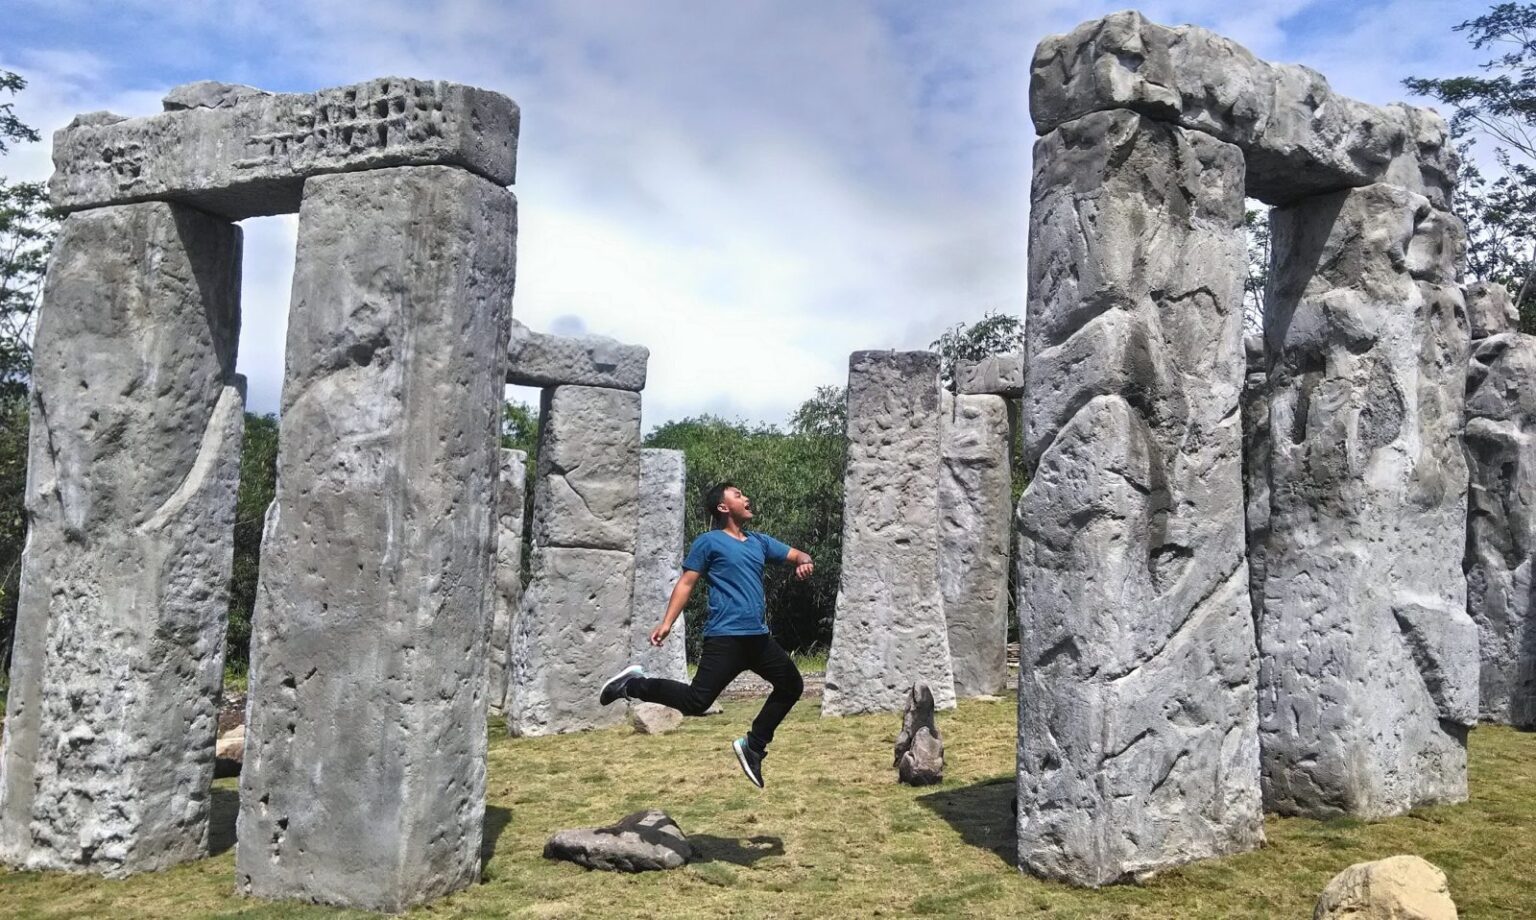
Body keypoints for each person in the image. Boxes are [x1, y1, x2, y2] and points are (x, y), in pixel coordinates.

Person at [598, 481, 813, 789]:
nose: (747, 497)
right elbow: (687, 583)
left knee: (792, 684)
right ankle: (632, 685)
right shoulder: (709, 542)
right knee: (696, 701)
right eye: (739, 495)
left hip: (758, 640)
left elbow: (799, 555)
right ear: (723, 507)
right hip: (726, 638)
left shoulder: (759, 543)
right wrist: (667, 622)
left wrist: (805, 563)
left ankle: (754, 745)